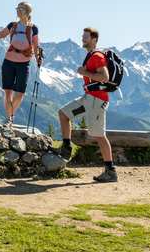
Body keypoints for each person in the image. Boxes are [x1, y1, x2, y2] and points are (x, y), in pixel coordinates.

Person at [58, 27, 117, 183]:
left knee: (99, 135)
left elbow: (104, 77)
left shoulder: (97, 56)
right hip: (88, 98)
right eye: (82, 36)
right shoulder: (90, 55)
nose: (83, 38)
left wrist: (85, 73)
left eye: (86, 37)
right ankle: (66, 147)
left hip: (97, 101)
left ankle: (110, 171)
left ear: (94, 39)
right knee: (64, 114)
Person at [0, 1, 42, 129]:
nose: (17, 11)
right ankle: (9, 119)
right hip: (8, 62)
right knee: (8, 92)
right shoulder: (12, 25)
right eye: (17, 8)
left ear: (27, 12)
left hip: (23, 64)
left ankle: (10, 114)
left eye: (21, 9)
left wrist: (38, 58)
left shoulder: (33, 28)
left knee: (20, 93)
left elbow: (36, 46)